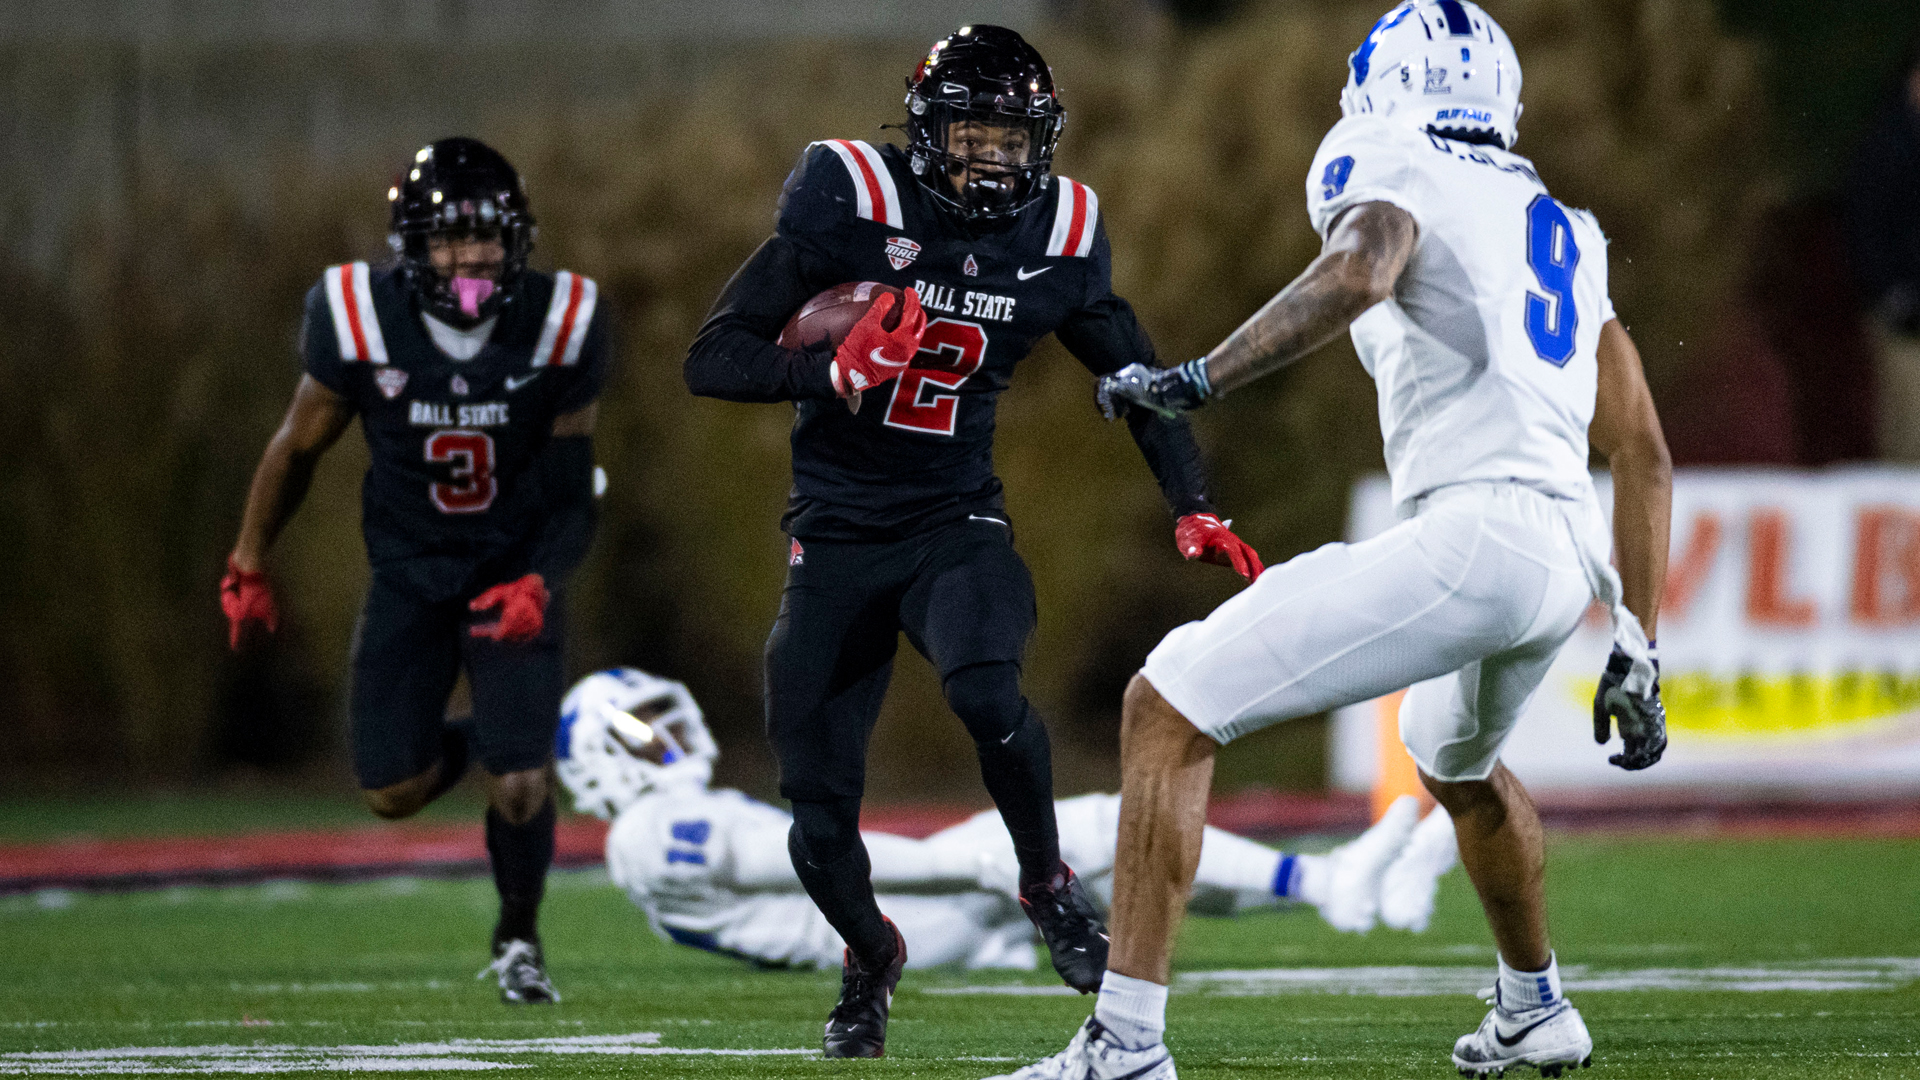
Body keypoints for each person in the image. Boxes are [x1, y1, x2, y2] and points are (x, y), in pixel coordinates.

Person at [994, 3, 1673, 1078]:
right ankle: (1535, 1006)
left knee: (1166, 705)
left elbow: (1365, 265)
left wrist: (1196, 380)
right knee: (1456, 758)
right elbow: (1640, 446)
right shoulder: (1558, 222)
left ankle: (1122, 1045)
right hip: (1560, 559)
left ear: (1387, 82)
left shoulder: (1387, 153)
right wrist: (1640, 641)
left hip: (1474, 535)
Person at [682, 24, 1261, 1057]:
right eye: (973, 133)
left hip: (956, 518)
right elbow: (712, 355)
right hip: (835, 530)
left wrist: (1192, 502)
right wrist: (826, 373)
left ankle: (1047, 885)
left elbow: (1138, 380)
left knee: (988, 687)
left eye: (1011, 137)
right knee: (815, 810)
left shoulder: (1064, 230)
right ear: (925, 131)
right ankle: (869, 956)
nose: (993, 156)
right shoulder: (849, 199)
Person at [219, 137, 613, 1005]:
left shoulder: (563, 321)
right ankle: (518, 732)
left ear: (520, 241)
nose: (473, 257)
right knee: (391, 791)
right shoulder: (356, 314)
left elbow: (571, 487)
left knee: (518, 784)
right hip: (409, 569)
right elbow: (296, 448)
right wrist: (249, 559)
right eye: (449, 239)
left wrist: (540, 580)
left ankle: (518, 935)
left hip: (510, 573)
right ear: (410, 244)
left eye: (488, 239)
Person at [555, 668, 1460, 970]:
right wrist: (972, 870)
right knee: (1100, 826)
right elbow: (800, 857)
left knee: (1114, 866)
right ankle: (1328, 878)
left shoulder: (659, 832)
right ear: (594, 761)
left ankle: (1332, 883)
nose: (666, 742)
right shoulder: (645, 836)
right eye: (640, 735)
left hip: (902, 930)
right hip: (901, 919)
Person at [1843, 35, 1920, 460]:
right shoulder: (1887, 144)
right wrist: (1894, 296)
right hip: (1904, 324)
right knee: (1909, 427)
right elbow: (1866, 228)